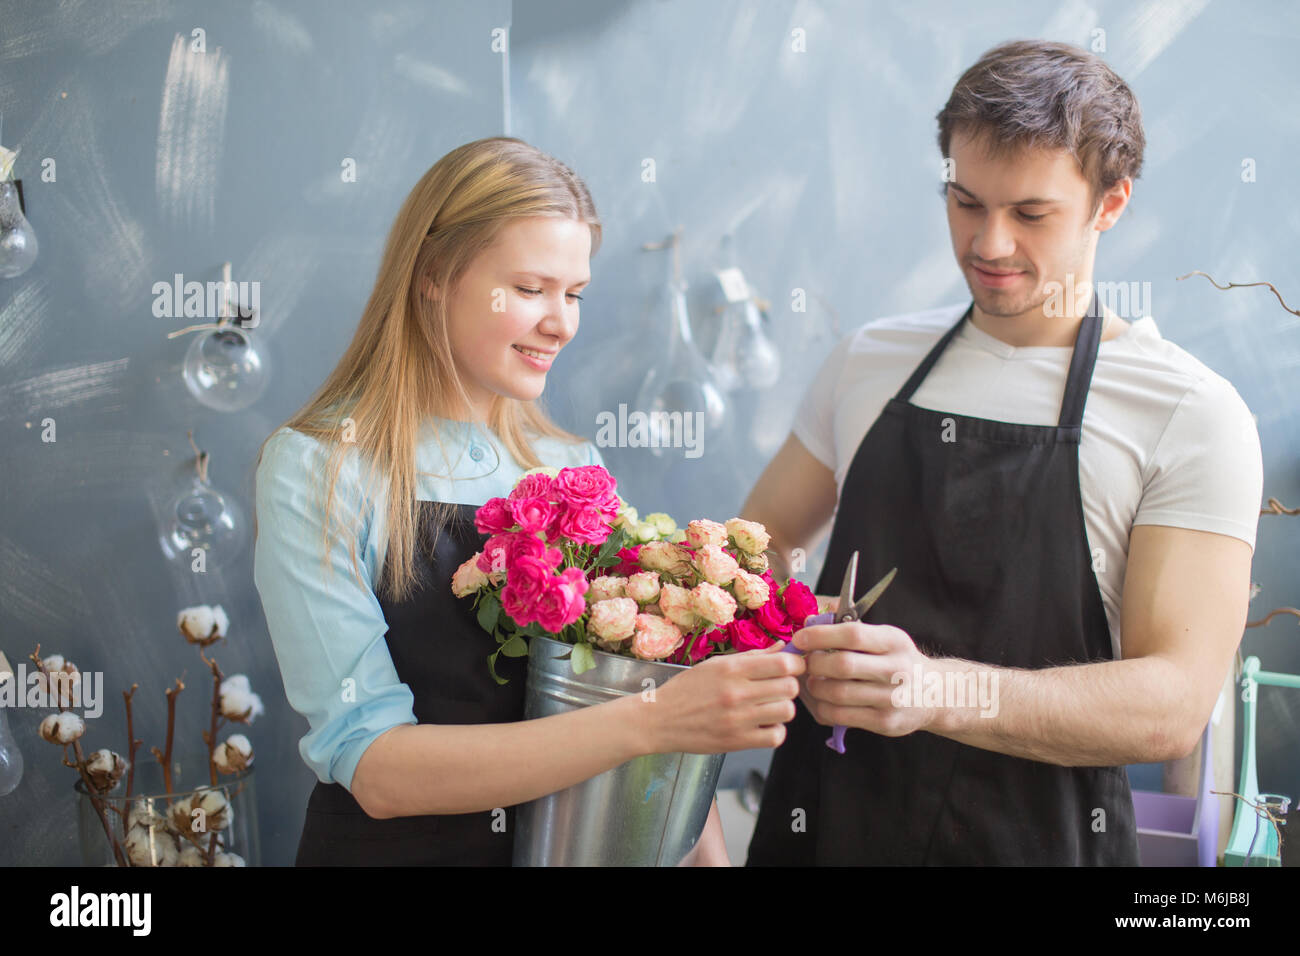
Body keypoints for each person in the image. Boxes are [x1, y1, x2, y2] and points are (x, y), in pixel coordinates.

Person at [743, 40, 1263, 865]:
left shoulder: (1189, 413)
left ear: (1111, 203)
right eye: (964, 200)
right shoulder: (868, 361)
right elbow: (756, 548)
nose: (987, 244)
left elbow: (1171, 706)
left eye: (1030, 213)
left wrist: (935, 690)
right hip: (826, 823)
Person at [252, 137, 804, 866]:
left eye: (573, 294)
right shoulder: (319, 467)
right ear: (433, 275)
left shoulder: (571, 466)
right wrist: (654, 721)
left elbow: (646, 711)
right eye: (529, 289)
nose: (561, 323)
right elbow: (377, 769)